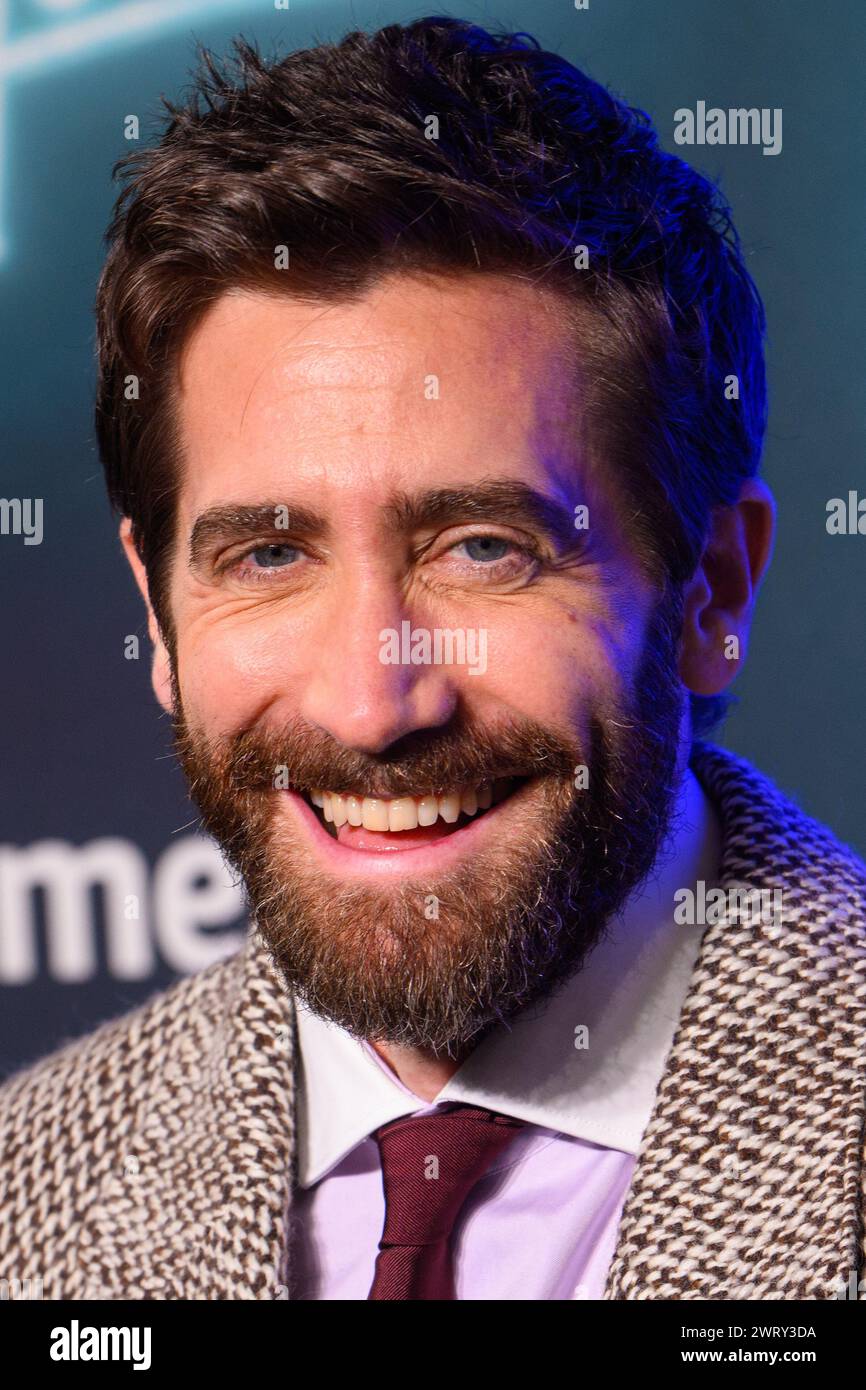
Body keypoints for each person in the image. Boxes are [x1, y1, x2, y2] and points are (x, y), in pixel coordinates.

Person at [1, 17, 864, 1302]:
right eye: (268, 558)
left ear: (710, 590)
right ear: (159, 610)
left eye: (482, 547)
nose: (369, 702)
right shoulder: (27, 1187)